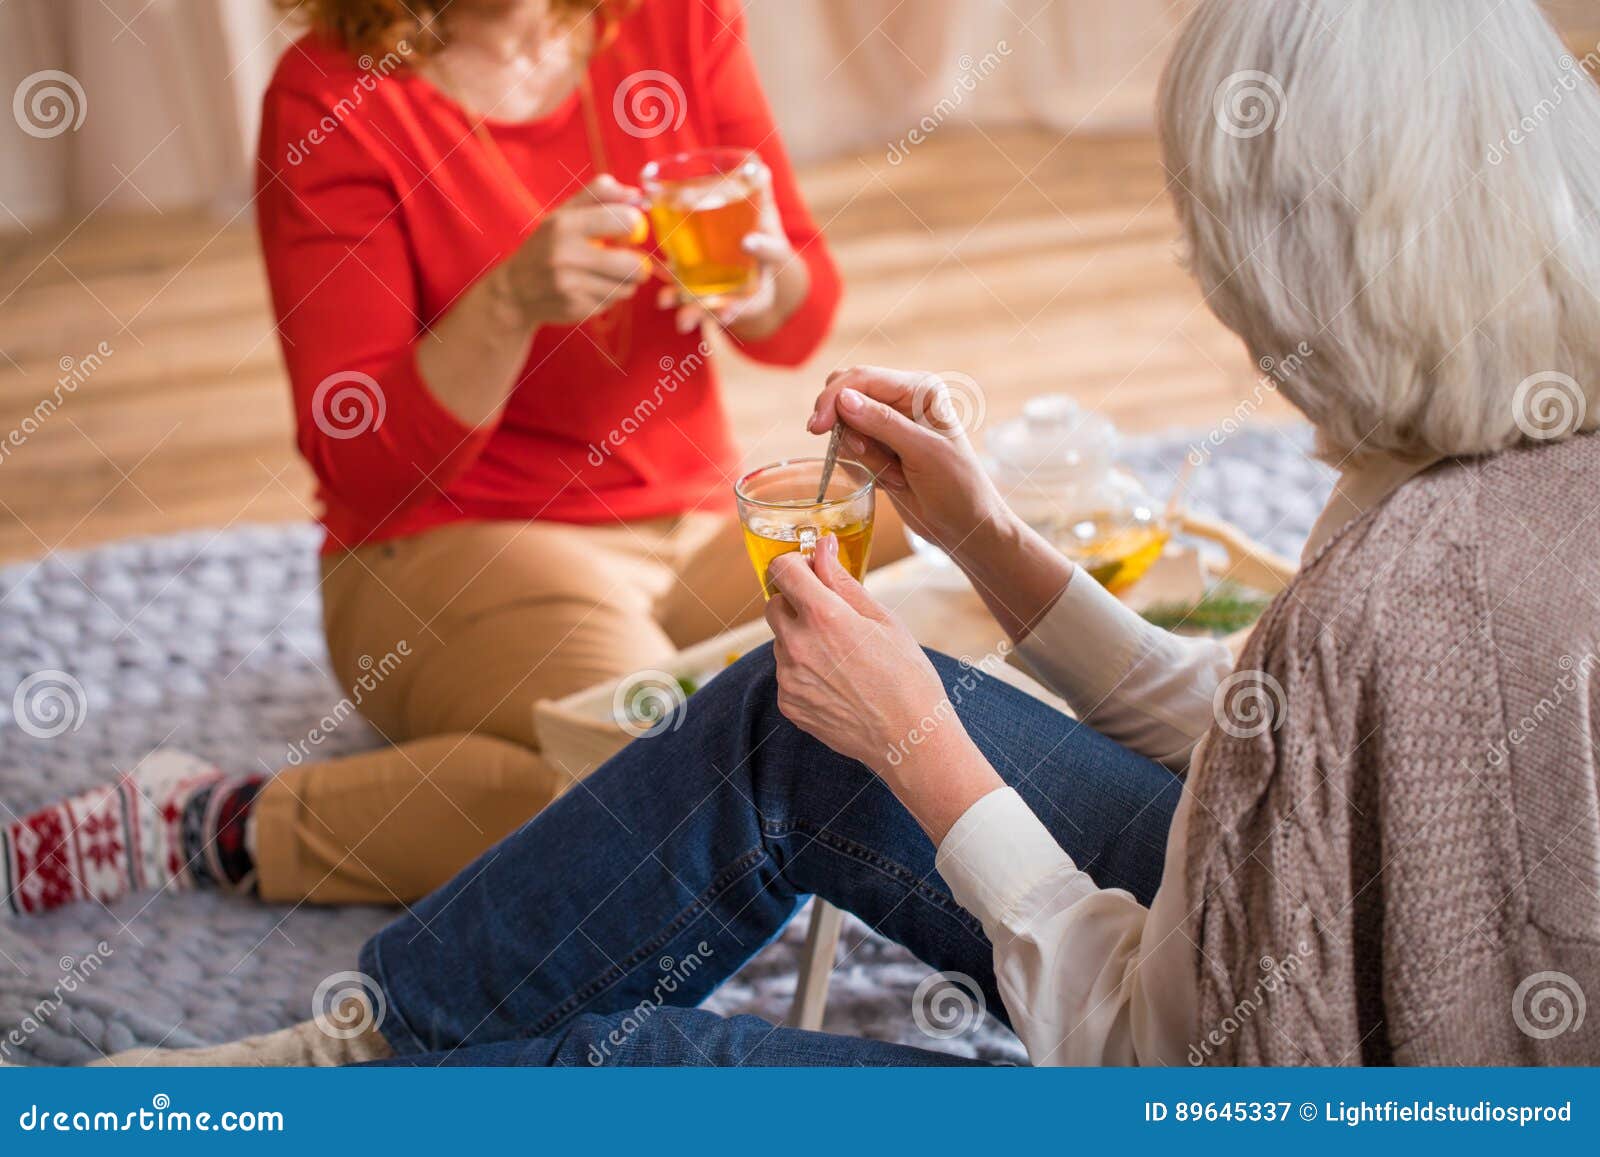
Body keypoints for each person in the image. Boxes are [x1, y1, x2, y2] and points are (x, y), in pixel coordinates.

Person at [99, 0, 1600, 1067]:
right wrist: (990, 536)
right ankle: (355, 1052)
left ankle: (276, 1041)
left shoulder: (1384, 591)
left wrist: (923, 749)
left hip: (1215, 1050)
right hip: (470, 535)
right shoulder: (1465, 463)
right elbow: (1256, 728)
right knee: (756, 715)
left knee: (629, 1043)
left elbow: (1166, 1058)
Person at [1, 0, 906, 919]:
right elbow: (359, 461)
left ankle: (676, 768)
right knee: (652, 775)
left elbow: (797, 313)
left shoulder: (677, 20)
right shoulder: (328, 96)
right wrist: (508, 301)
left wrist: (756, 282)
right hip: (447, 545)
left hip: (695, 525)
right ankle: (215, 821)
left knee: (948, 551)